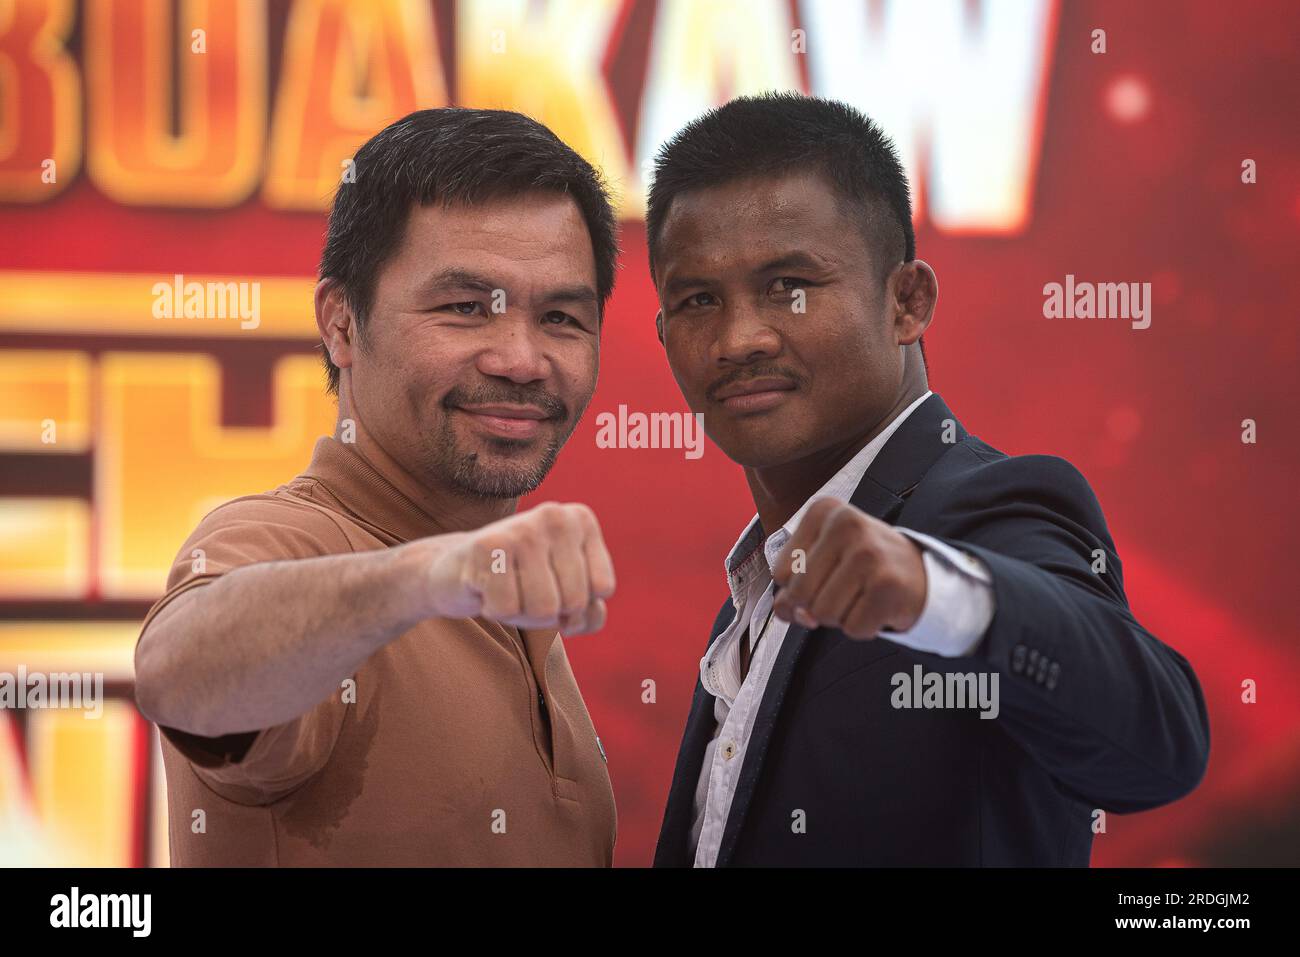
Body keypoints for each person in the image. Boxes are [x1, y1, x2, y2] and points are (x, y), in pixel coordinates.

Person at [647, 93, 1210, 866]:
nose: (739, 338)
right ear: (661, 332)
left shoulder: (985, 512)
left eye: (790, 286)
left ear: (907, 301)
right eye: (698, 300)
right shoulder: (753, 595)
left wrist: (935, 593)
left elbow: (1160, 745)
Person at [134, 108, 620, 866]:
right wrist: (435, 574)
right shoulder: (285, 540)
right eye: (465, 307)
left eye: (561, 317)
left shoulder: (509, 603)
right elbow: (179, 674)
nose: (523, 359)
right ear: (342, 325)